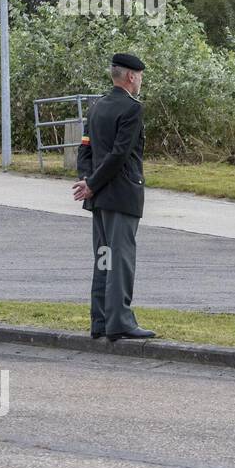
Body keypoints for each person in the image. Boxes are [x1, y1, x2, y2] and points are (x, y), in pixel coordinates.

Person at [72, 53, 155, 342]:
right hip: (120, 194)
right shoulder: (132, 109)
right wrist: (91, 183)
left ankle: (100, 320)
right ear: (131, 76)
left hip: (99, 197)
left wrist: (87, 180)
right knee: (120, 259)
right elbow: (120, 154)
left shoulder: (97, 107)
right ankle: (119, 321)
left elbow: (85, 150)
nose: (141, 81)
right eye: (140, 76)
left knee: (103, 258)